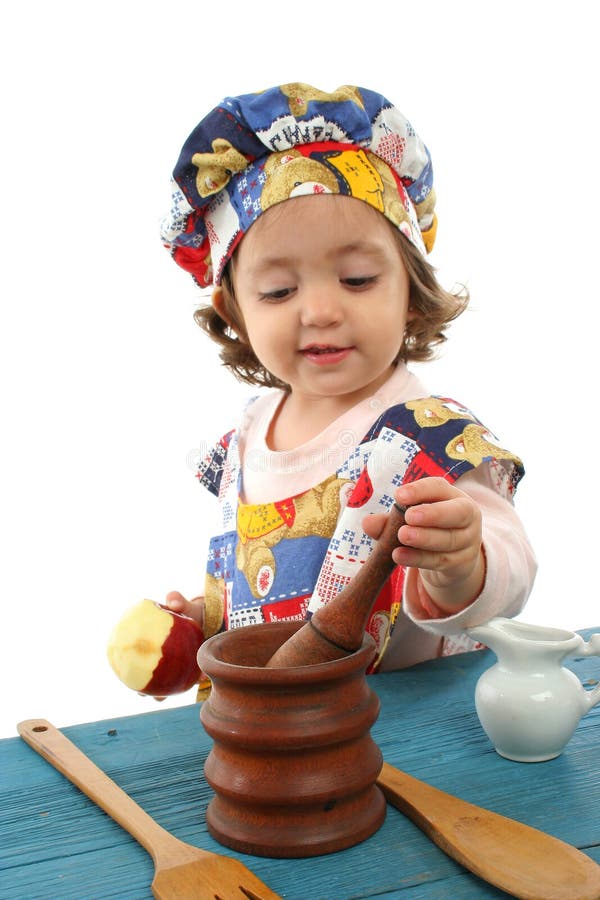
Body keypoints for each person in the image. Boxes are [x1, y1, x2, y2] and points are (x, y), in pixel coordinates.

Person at [159, 82, 536, 686]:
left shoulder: (428, 435)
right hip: (264, 746)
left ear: (411, 293)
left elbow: (512, 570)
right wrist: (203, 625)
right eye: (279, 291)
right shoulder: (247, 438)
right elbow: (266, 592)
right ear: (236, 315)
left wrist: (463, 563)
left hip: (405, 744)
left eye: (357, 279)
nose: (320, 311)